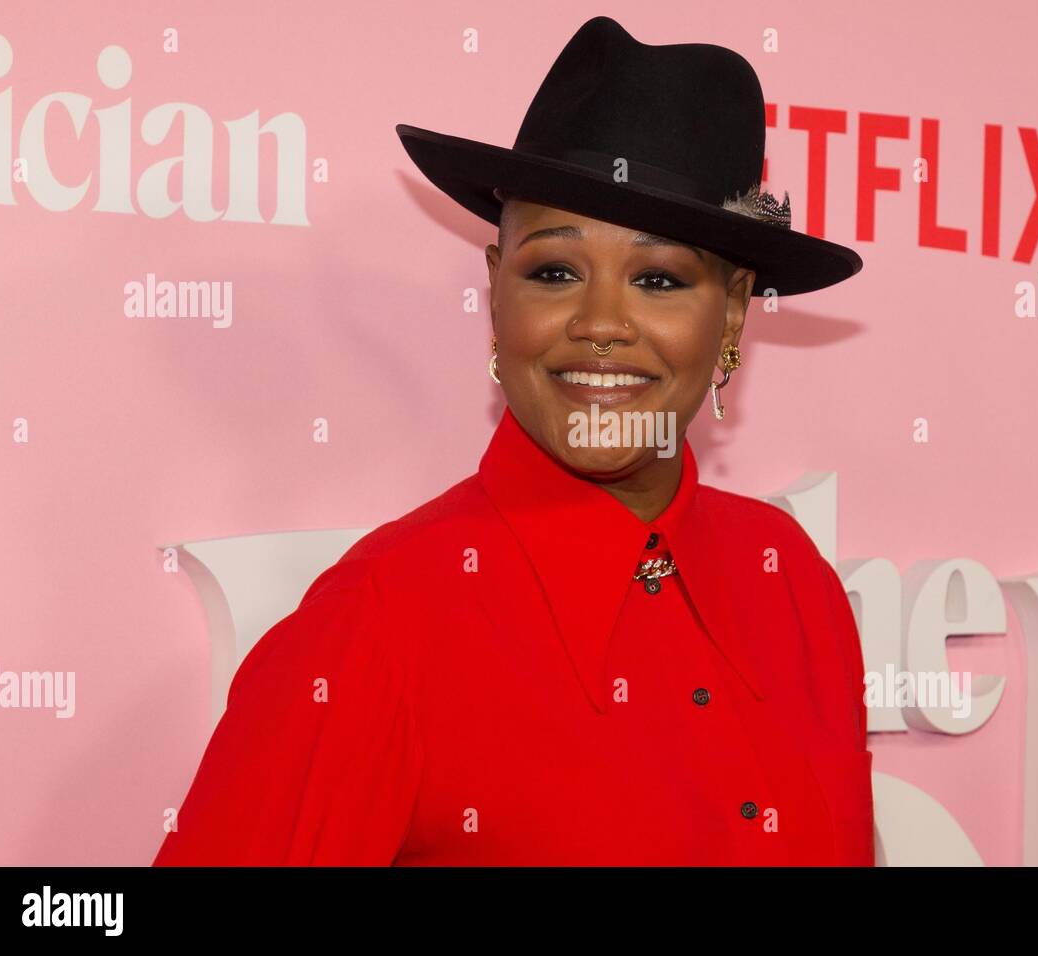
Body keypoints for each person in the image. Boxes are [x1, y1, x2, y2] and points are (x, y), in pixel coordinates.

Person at [153, 15, 873, 866]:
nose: (601, 324)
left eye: (657, 279)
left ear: (735, 310)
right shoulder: (375, 627)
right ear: (497, 293)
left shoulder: (792, 581)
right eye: (554, 272)